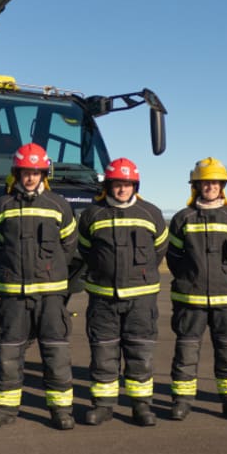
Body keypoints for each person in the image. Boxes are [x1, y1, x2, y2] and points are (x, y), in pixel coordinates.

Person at [0, 143, 78, 430]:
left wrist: (48, 272)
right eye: (25, 172)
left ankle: (61, 411)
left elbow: (68, 245)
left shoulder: (59, 205)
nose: (30, 177)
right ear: (17, 173)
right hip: (14, 295)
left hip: (50, 295)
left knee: (56, 354)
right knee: (9, 355)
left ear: (43, 175)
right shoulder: (2, 206)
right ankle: (5, 409)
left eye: (36, 172)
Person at [77, 157, 168, 426]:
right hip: (103, 298)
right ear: (108, 185)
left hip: (141, 299)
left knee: (140, 353)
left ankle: (141, 406)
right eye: (117, 184)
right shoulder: (93, 214)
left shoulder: (151, 213)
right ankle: (103, 406)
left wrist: (139, 275)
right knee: (103, 353)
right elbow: (85, 249)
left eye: (127, 184)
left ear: (135, 186)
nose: (122, 189)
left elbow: (159, 249)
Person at [165, 158, 227, 422]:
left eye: (215, 182)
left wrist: (225, 278)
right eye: (205, 182)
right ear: (196, 186)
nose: (210, 186)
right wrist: (191, 278)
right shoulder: (182, 218)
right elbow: (173, 257)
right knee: (186, 354)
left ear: (222, 186)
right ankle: (182, 401)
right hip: (190, 299)